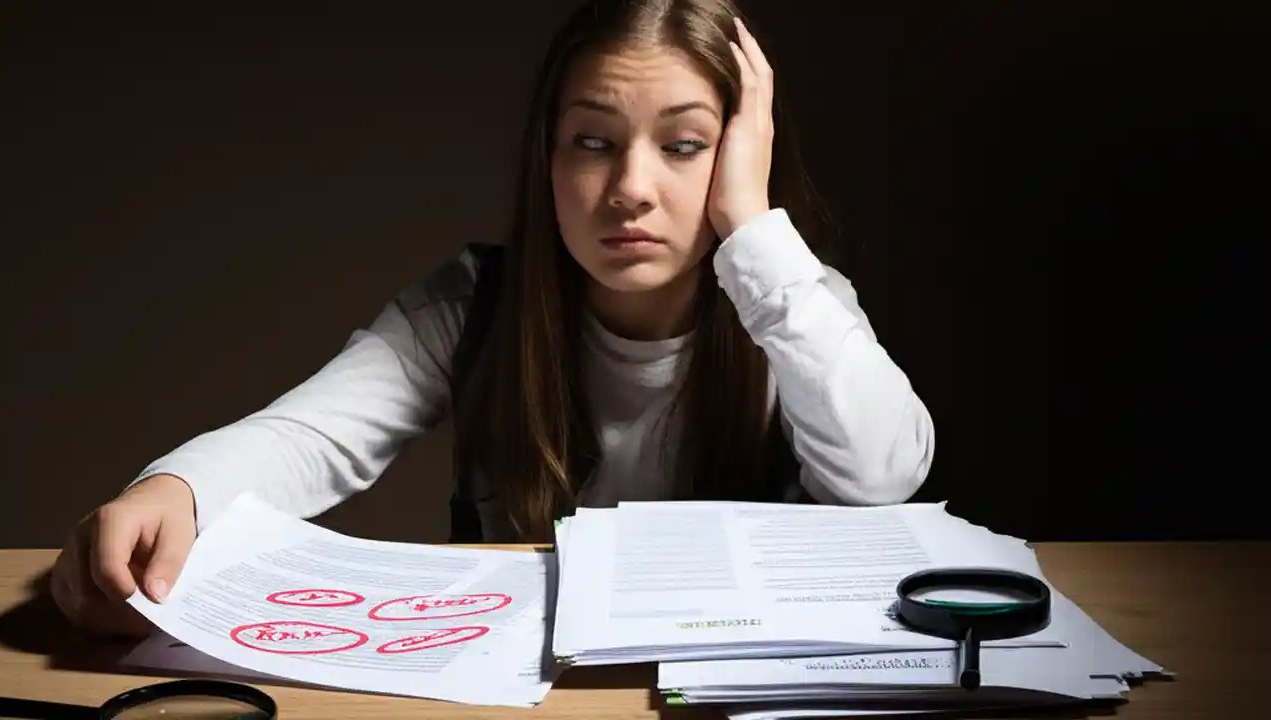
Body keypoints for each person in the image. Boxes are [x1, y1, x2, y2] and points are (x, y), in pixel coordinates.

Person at [49, 0, 935, 639]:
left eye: (683, 145)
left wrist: (750, 226)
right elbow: (307, 436)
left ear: (742, 157)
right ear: (547, 160)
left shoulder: (790, 304)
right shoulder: (474, 305)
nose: (631, 186)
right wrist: (172, 491)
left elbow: (886, 475)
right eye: (593, 140)